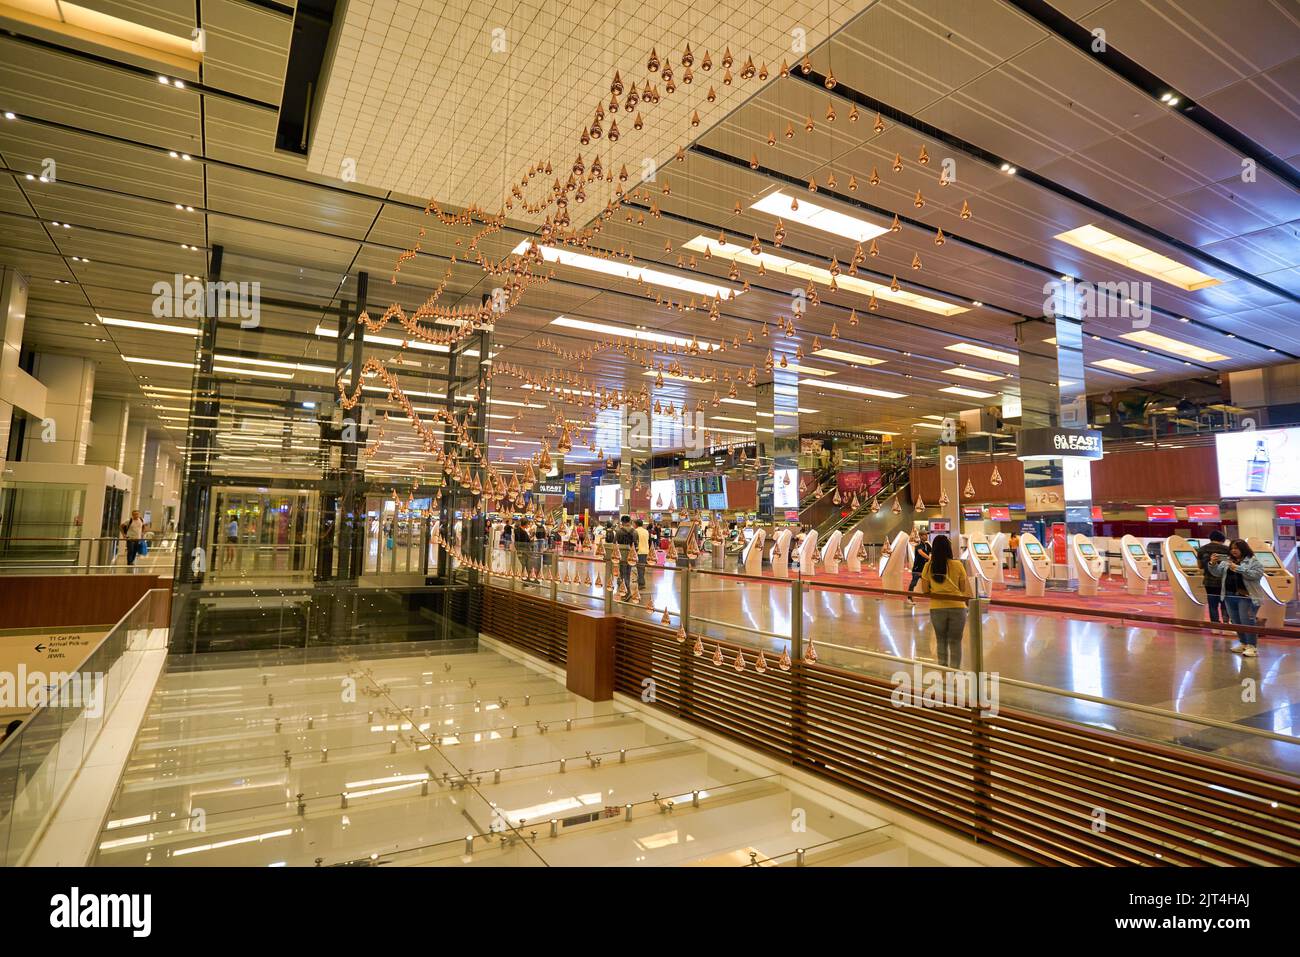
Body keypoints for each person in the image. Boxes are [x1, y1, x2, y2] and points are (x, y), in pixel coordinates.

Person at [919, 534, 972, 668]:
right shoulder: (958, 565)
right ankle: (954, 672)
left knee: (941, 640)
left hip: (937, 608)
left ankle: (943, 673)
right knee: (955, 642)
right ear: (949, 548)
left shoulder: (928, 566)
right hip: (957, 607)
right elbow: (963, 587)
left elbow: (924, 590)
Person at [1206, 540, 1265, 658]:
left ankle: (1252, 646)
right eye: (1232, 548)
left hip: (1246, 597)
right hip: (1229, 595)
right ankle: (1243, 643)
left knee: (1247, 621)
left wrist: (1238, 568)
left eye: (1236, 548)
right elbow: (1217, 573)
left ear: (1243, 549)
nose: (1233, 550)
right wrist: (1212, 564)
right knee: (1236, 621)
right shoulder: (1227, 561)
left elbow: (1256, 575)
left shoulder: (1253, 561)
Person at [1196, 531, 1231, 624]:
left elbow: (1199, 566)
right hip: (1225, 581)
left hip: (1209, 581)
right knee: (1225, 604)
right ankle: (1226, 623)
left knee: (1212, 604)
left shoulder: (1202, 549)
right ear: (1222, 539)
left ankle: (1215, 625)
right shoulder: (1227, 549)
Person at [615, 516, 636, 599]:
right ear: (630, 521)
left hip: (622, 556)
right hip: (631, 556)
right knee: (628, 573)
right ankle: (626, 591)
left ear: (622, 522)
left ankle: (626, 592)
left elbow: (615, 543)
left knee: (623, 574)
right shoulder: (634, 532)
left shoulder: (619, 532)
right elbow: (636, 545)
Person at [907, 535, 932, 603]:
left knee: (930, 583)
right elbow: (920, 552)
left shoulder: (927, 545)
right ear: (921, 536)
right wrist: (929, 558)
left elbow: (932, 551)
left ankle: (934, 598)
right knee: (913, 583)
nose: (926, 536)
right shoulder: (919, 544)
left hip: (925, 568)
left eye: (927, 535)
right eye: (924, 535)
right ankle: (909, 598)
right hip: (917, 568)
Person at [634, 518, 651, 589]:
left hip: (639, 551)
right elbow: (648, 540)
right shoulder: (646, 531)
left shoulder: (635, 531)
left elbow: (635, 542)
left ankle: (641, 583)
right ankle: (640, 580)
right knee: (642, 568)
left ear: (636, 524)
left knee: (640, 568)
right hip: (646, 551)